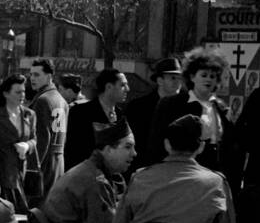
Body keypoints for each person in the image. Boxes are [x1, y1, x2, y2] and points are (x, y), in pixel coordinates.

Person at [146, 47, 235, 179]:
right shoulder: (172, 104)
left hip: (214, 175)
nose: (208, 80)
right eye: (204, 75)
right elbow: (156, 142)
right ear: (192, 76)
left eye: (213, 76)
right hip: (179, 173)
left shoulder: (221, 108)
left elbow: (230, 147)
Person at [0, 74, 38, 212]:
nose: (22, 95)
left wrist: (27, 146)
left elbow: (35, 139)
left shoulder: (29, 115)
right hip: (2, 174)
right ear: (6, 94)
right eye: (18, 92)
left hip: (23, 173)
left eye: (24, 91)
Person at [64, 68, 129, 171]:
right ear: (109, 87)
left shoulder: (121, 115)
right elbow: (72, 151)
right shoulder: (80, 112)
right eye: (122, 85)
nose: (127, 89)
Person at [125, 58, 182, 172]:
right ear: (160, 80)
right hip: (144, 169)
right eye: (172, 78)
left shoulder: (185, 108)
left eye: (180, 78)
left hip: (175, 170)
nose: (177, 82)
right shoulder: (138, 107)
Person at [29, 58, 69, 197]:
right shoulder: (62, 100)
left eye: (37, 75)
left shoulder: (42, 100)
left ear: (49, 76)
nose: (32, 78)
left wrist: (32, 169)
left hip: (44, 164)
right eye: (31, 74)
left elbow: (41, 139)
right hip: (58, 162)